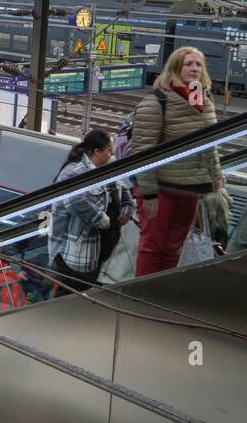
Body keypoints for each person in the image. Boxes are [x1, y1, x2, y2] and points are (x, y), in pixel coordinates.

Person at [131, 47, 224, 277]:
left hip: (190, 188)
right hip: (160, 189)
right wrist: (149, 192)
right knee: (152, 247)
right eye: (188, 64)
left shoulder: (204, 100)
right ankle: (143, 294)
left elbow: (209, 145)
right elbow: (143, 150)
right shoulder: (158, 102)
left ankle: (160, 292)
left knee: (173, 248)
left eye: (198, 65)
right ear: (175, 68)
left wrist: (215, 175)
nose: (194, 69)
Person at [49, 129, 135, 293]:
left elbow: (125, 192)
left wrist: (127, 210)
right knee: (72, 296)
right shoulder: (75, 171)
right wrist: (102, 219)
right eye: (109, 150)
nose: (112, 154)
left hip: (95, 253)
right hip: (75, 254)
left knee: (80, 296)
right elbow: (75, 200)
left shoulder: (102, 170)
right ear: (96, 151)